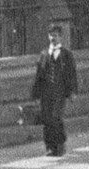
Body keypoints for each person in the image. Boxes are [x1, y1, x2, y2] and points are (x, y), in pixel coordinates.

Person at [30, 21, 78, 156]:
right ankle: (50, 146)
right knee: (46, 119)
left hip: (59, 92)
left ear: (60, 37)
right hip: (46, 92)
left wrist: (72, 92)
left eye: (55, 35)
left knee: (56, 117)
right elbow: (39, 75)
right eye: (50, 35)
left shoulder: (66, 54)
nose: (53, 38)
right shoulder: (44, 54)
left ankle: (60, 145)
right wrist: (35, 95)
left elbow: (71, 74)